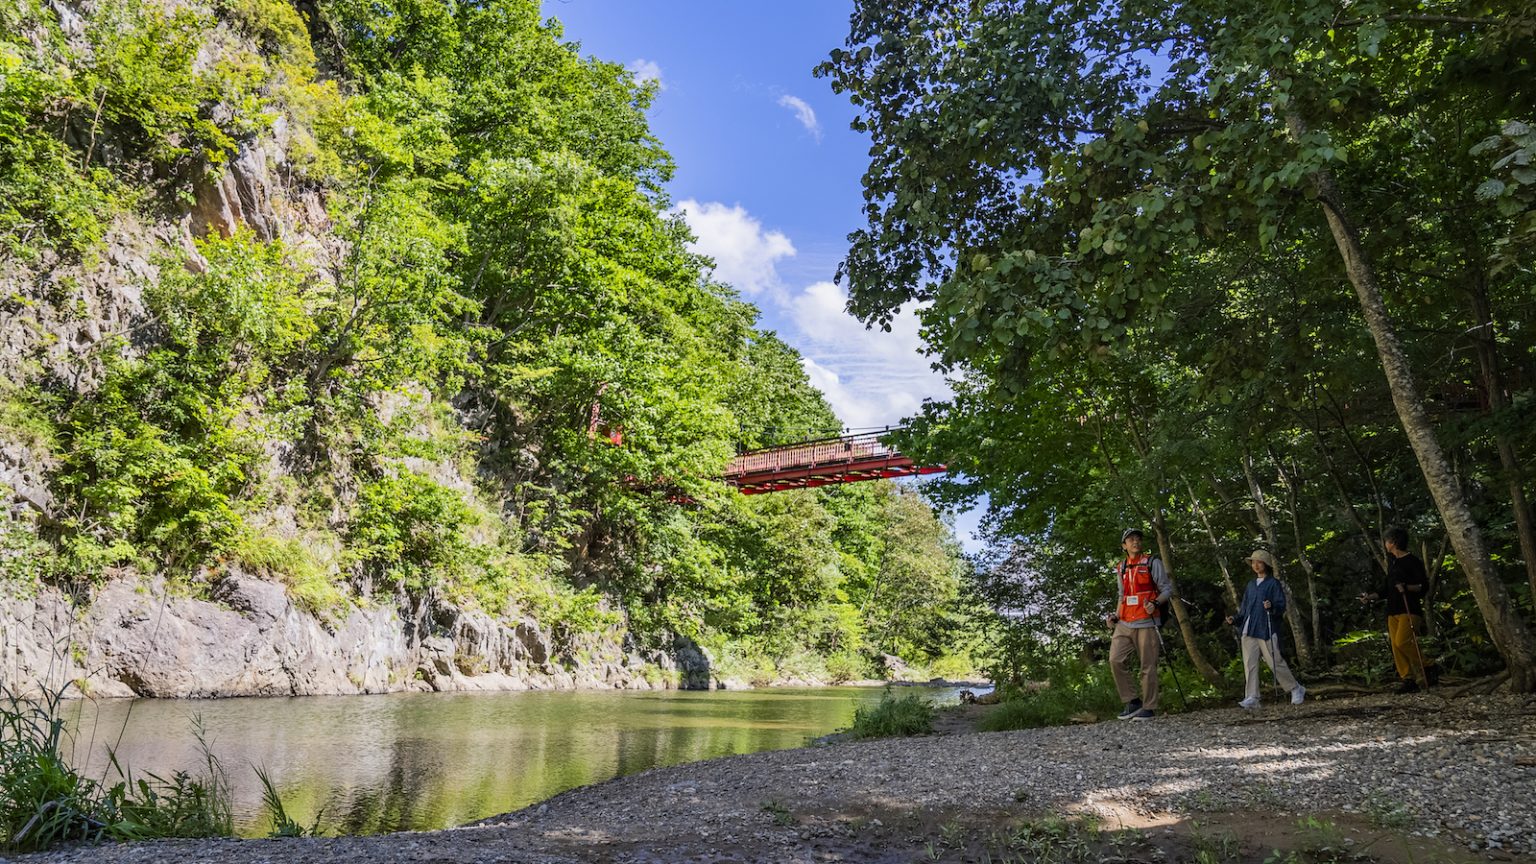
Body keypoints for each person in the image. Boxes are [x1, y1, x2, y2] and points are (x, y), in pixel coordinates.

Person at [1105, 528, 1172, 720]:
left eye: (1138, 539)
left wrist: (1155, 603)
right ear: (1124, 546)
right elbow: (1122, 595)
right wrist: (1115, 616)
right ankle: (1132, 701)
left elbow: (1167, 589)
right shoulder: (1121, 567)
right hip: (1125, 622)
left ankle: (1149, 707)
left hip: (1147, 622)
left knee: (1147, 665)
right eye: (1130, 539)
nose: (1135, 542)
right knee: (1115, 659)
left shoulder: (1152, 562)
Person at [1225, 550, 1305, 709]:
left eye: (1259, 562)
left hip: (1266, 627)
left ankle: (1295, 688)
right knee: (1250, 663)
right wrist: (1235, 619)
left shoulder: (1273, 583)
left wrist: (1272, 606)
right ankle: (1252, 696)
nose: (1255, 565)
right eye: (1253, 562)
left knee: (1274, 661)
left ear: (1265, 565)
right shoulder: (1251, 584)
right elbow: (1245, 608)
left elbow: (1281, 605)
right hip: (1248, 628)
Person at [1359, 526, 1435, 693]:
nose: (1385, 544)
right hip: (1392, 610)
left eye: (1386, 541)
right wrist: (1369, 597)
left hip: (1409, 609)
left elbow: (1424, 586)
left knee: (1402, 642)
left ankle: (1428, 665)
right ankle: (1408, 679)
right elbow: (1387, 588)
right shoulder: (1393, 563)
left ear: (1393, 542)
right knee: (1395, 645)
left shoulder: (1412, 561)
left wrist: (1406, 587)